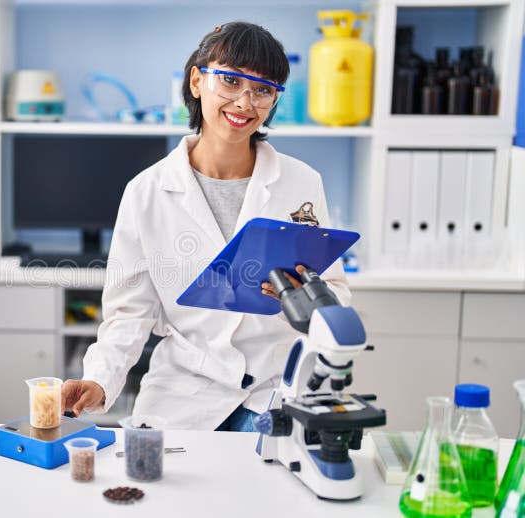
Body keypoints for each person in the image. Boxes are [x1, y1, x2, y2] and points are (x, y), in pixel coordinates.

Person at [61, 21, 350, 431]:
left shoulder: (302, 183)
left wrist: (305, 301)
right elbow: (130, 313)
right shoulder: (147, 191)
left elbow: (334, 292)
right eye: (231, 81)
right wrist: (100, 380)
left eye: (263, 90)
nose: (245, 102)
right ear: (197, 80)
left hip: (275, 390)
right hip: (185, 392)